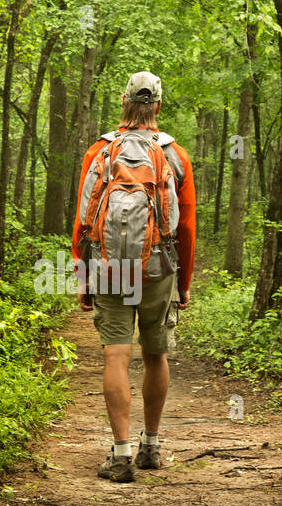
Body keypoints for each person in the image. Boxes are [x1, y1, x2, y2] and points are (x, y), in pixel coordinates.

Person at [71, 70, 196, 482]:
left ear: (123, 99)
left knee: (116, 354)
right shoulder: (176, 156)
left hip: (109, 267)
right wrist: (184, 282)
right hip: (158, 266)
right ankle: (151, 446)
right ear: (157, 106)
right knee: (156, 353)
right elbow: (188, 226)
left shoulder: (100, 151)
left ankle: (121, 454)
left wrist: (83, 275)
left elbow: (83, 220)